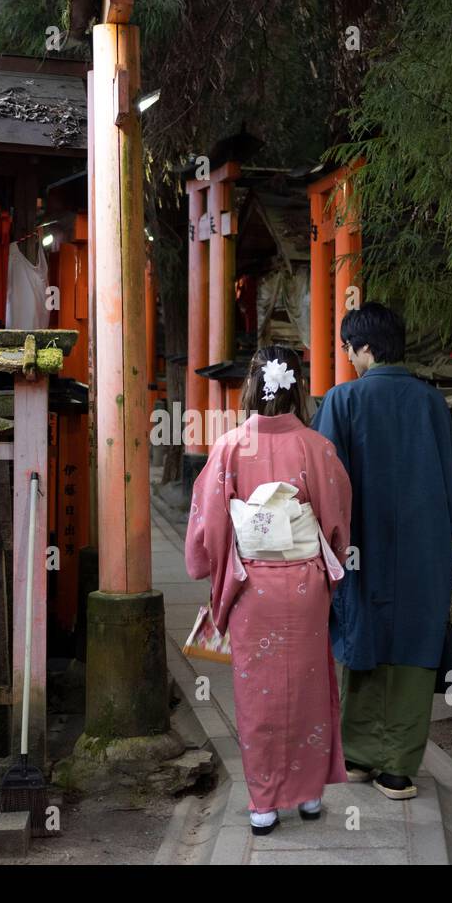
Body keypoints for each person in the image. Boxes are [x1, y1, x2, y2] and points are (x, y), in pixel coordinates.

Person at [184, 346, 353, 835]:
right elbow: (337, 520)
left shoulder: (231, 446)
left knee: (256, 692)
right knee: (308, 685)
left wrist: (211, 566)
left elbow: (209, 527)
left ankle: (263, 803)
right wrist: (333, 559)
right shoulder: (317, 447)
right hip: (304, 587)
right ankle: (309, 795)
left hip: (252, 585)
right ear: (297, 387)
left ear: (252, 388)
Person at [312, 303, 452, 800]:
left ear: (364, 347)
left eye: (348, 348)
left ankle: (358, 756)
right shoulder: (431, 403)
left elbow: (324, 484)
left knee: (363, 639)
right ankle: (398, 769)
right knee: (414, 651)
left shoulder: (342, 401)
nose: (348, 358)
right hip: (424, 546)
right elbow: (451, 477)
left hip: (362, 545)